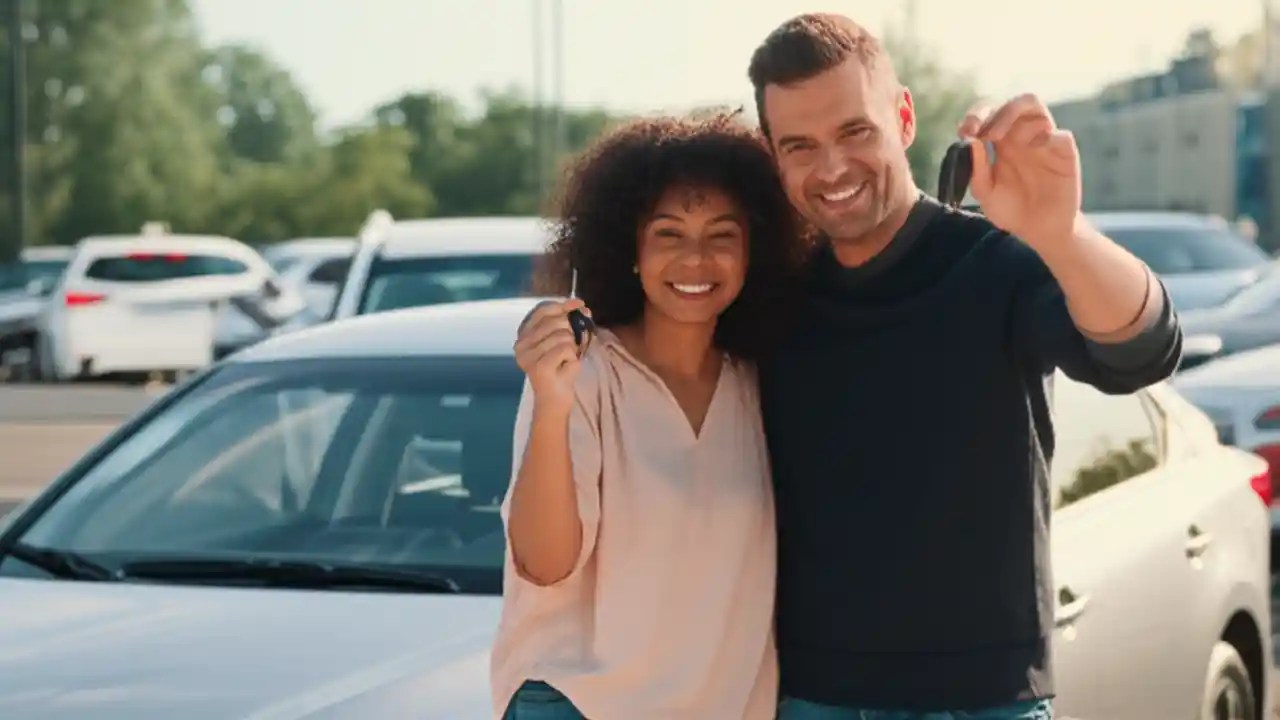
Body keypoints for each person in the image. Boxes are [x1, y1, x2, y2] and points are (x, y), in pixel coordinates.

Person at [747, 13, 1181, 720]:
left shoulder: (995, 261)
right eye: (800, 145)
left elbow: (1141, 351)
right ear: (773, 155)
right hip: (812, 698)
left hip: (984, 701)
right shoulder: (772, 297)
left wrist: (1062, 234)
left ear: (904, 116)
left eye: (855, 131)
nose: (830, 168)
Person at [490, 112, 808, 720]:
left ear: (753, 251)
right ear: (629, 250)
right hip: (575, 704)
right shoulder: (580, 372)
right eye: (669, 234)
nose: (696, 259)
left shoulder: (760, 382)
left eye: (722, 235)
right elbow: (544, 562)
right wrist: (552, 404)